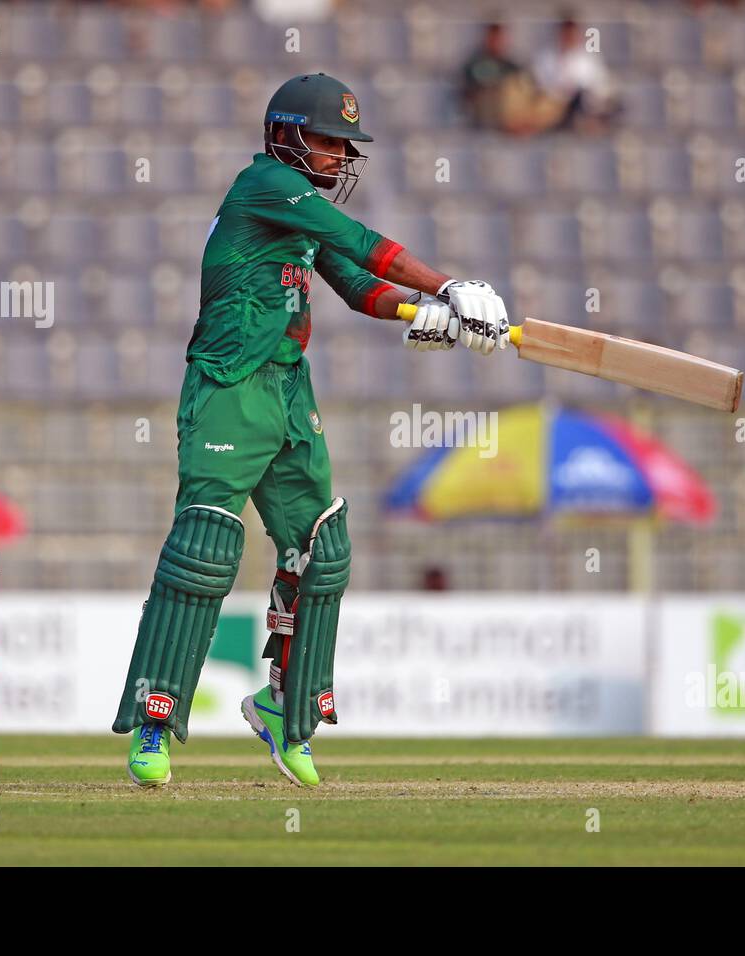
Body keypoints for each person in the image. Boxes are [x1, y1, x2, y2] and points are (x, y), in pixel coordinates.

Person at [112, 73, 511, 787]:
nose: (338, 156)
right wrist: (447, 285)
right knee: (206, 547)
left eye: (344, 146)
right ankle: (154, 721)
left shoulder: (297, 216)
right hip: (230, 385)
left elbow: (358, 286)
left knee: (320, 550)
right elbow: (356, 239)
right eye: (327, 141)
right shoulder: (264, 186)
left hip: (290, 392)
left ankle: (281, 708)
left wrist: (425, 318)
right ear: (284, 135)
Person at [530, 16, 620, 133]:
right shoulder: (545, 58)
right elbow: (539, 86)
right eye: (566, 34)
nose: (569, 37)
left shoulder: (590, 58)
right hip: (554, 108)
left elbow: (599, 86)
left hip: (584, 106)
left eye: (572, 34)